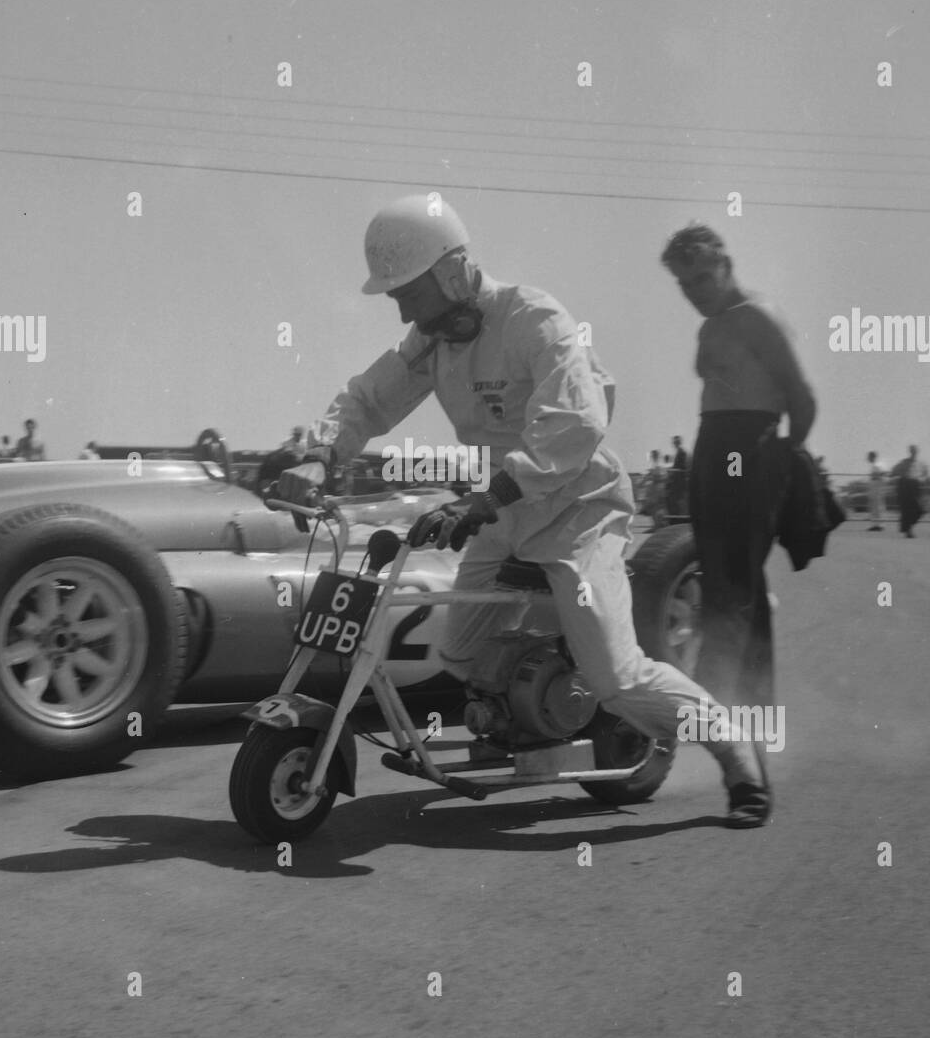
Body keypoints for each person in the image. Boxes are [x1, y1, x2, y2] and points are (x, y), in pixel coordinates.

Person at [279, 194, 771, 826]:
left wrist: (488, 499)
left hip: (578, 510)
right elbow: (370, 399)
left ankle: (734, 750)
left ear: (452, 271)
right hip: (502, 513)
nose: (403, 311)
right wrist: (320, 455)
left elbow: (574, 424)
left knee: (617, 680)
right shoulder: (433, 338)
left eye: (409, 294)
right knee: (460, 653)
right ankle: (542, 704)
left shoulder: (535, 319)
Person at [660, 223, 816, 719]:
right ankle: (744, 710)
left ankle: (730, 705)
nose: (694, 292)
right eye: (684, 284)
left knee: (736, 581)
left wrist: (783, 455)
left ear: (727, 267)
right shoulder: (711, 325)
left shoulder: (757, 316)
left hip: (749, 447)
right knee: (721, 575)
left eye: (703, 279)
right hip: (713, 447)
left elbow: (801, 395)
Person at [892, 445, 928, 536]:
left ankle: (907, 527)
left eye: (915, 451)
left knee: (920, 510)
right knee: (907, 509)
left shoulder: (920, 463)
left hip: (915, 485)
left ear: (917, 452)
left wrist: (922, 480)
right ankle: (908, 530)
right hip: (905, 485)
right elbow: (894, 471)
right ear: (910, 452)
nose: (913, 452)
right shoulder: (904, 462)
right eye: (912, 451)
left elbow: (925, 473)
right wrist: (899, 475)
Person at [665, 435, 689, 518]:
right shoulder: (678, 452)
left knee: (677, 498)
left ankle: (678, 515)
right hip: (676, 479)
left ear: (679, 442)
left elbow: (682, 467)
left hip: (679, 480)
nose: (674, 443)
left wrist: (672, 471)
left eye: (676, 442)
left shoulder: (682, 452)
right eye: (674, 442)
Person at [866, 451, 886, 530]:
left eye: (869, 457)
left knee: (877, 507)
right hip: (874, 489)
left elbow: (882, 475)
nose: (868, 459)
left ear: (873, 457)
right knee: (875, 507)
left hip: (877, 489)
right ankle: (876, 525)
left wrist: (876, 477)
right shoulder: (874, 466)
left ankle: (878, 525)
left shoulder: (877, 465)